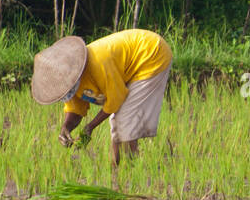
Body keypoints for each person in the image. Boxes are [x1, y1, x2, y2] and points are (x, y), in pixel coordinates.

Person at [30, 28, 172, 166]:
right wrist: (66, 127)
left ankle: (129, 168)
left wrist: (90, 127)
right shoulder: (71, 81)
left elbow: (116, 100)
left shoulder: (98, 63)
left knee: (124, 118)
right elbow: (76, 109)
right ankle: (117, 166)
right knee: (119, 121)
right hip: (132, 63)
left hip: (151, 53)